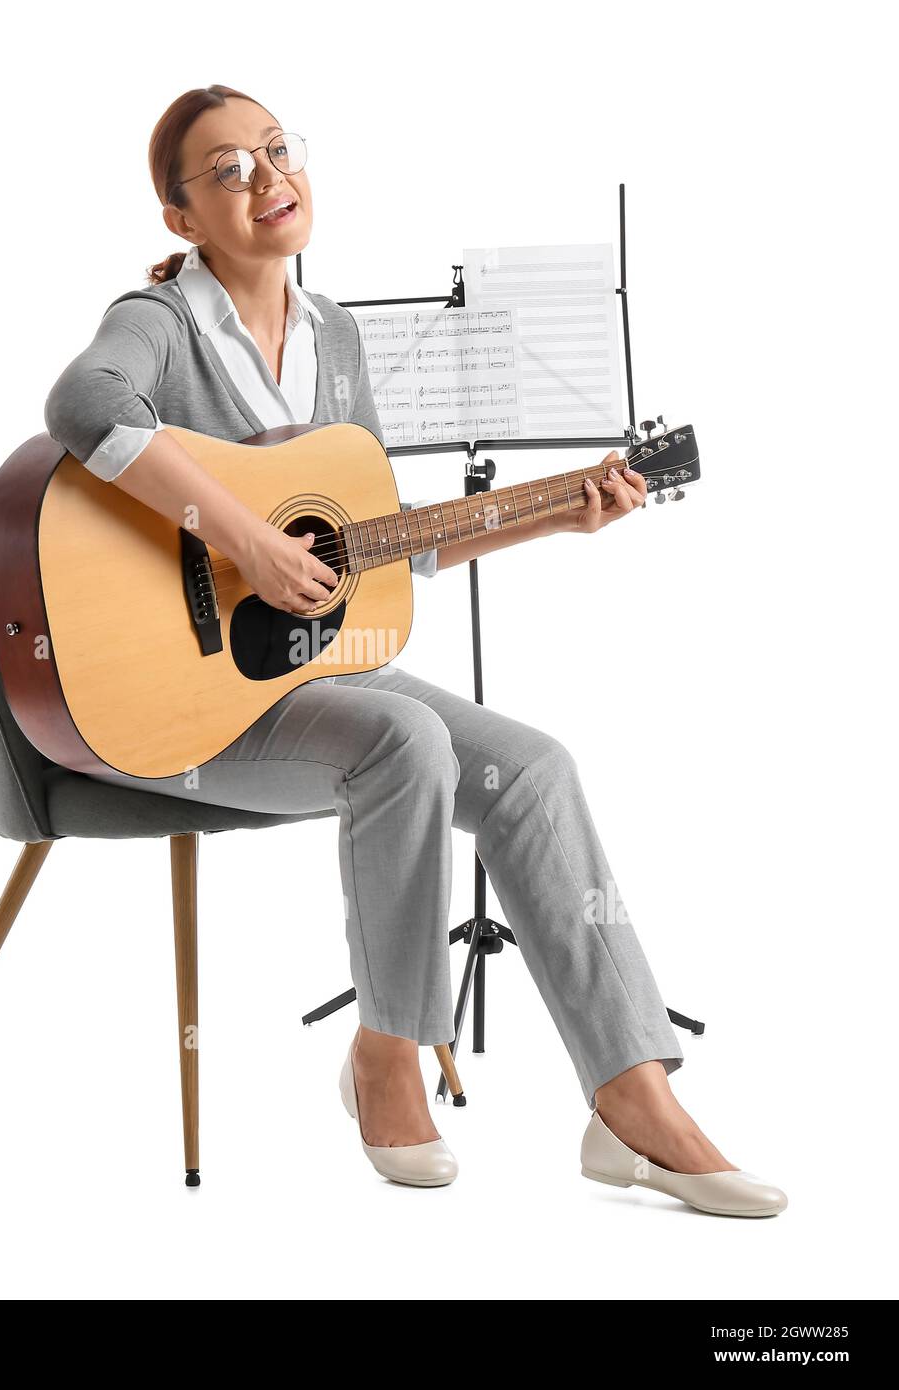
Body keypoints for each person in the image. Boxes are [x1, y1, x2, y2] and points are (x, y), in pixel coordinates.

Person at [43, 83, 787, 1216]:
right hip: (179, 704)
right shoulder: (159, 322)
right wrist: (243, 536)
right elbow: (83, 404)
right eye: (228, 168)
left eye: (277, 150)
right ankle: (385, 1056)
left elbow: (373, 542)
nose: (266, 176)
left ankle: (631, 1097)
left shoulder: (336, 335)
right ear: (181, 218)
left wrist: (554, 514)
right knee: (403, 739)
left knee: (533, 768)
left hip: (316, 678)